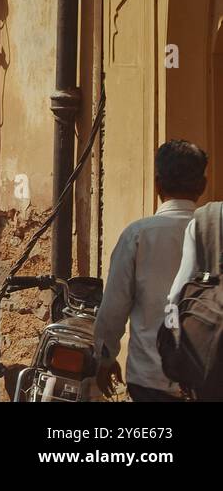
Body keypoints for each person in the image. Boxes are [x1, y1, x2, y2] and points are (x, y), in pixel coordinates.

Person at [93, 139, 208, 401]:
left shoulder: (138, 235)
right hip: (208, 378)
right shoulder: (217, 234)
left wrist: (105, 357)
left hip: (149, 379)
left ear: (157, 184)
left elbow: (114, 307)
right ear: (202, 186)